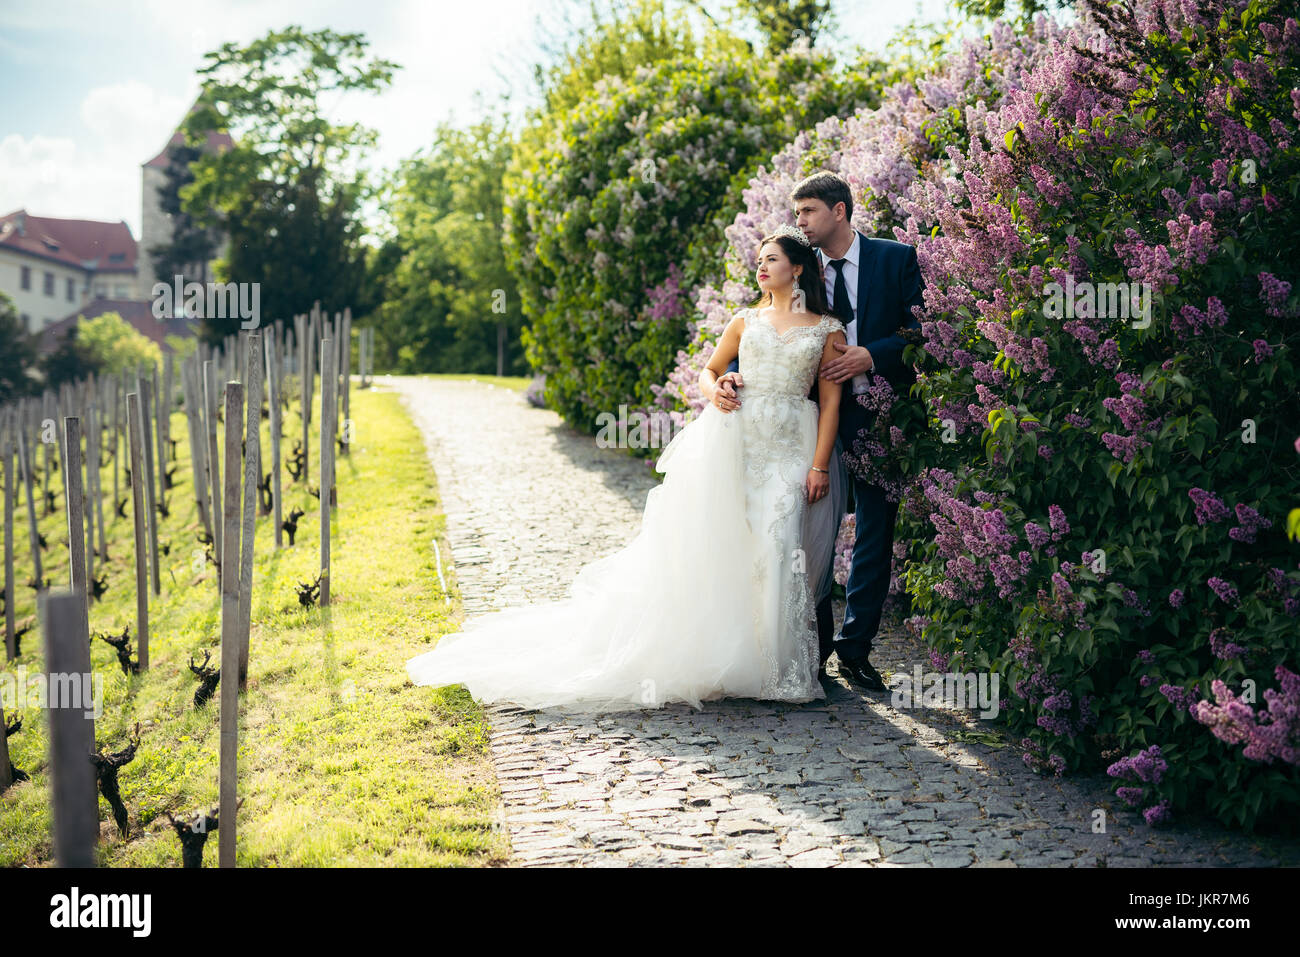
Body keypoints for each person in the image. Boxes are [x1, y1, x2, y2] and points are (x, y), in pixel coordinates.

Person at [405, 225, 847, 711]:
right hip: (737, 438)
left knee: (781, 542)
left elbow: (831, 403)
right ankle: (736, 658)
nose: (761, 268)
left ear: (797, 267)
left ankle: (780, 669)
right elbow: (708, 371)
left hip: (791, 444)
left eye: (772, 260)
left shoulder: (826, 330)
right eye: (759, 260)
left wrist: (819, 465)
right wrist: (716, 390)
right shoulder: (744, 321)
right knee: (734, 541)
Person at [719, 171, 923, 692]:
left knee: (875, 533)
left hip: (878, 416)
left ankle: (855, 651)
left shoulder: (895, 259)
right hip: (806, 426)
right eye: (798, 212)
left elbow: (919, 330)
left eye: (808, 211)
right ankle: (810, 649)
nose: (800, 220)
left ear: (839, 210)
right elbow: (770, 335)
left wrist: (870, 355)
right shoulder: (800, 270)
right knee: (805, 537)